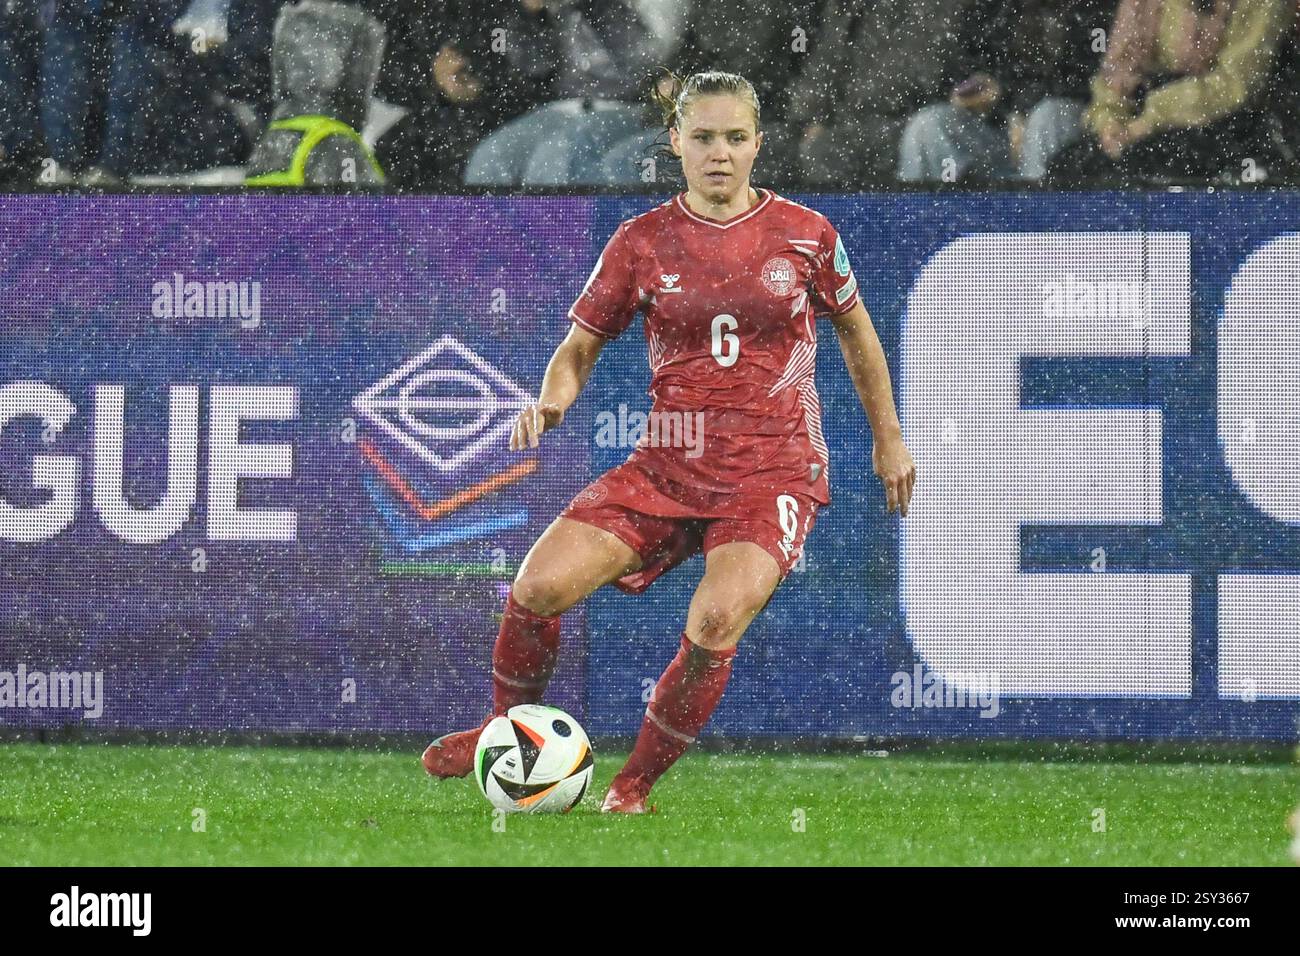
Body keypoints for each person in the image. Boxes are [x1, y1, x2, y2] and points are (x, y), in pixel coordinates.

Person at [422, 70, 916, 813]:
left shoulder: (808, 236)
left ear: (758, 144)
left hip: (772, 472)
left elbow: (858, 338)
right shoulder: (642, 241)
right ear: (676, 143)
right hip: (666, 466)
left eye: (737, 138)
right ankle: (504, 734)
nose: (721, 153)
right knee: (536, 588)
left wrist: (890, 442)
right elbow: (580, 347)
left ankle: (631, 788)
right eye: (705, 138)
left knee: (716, 620)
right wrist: (553, 402)